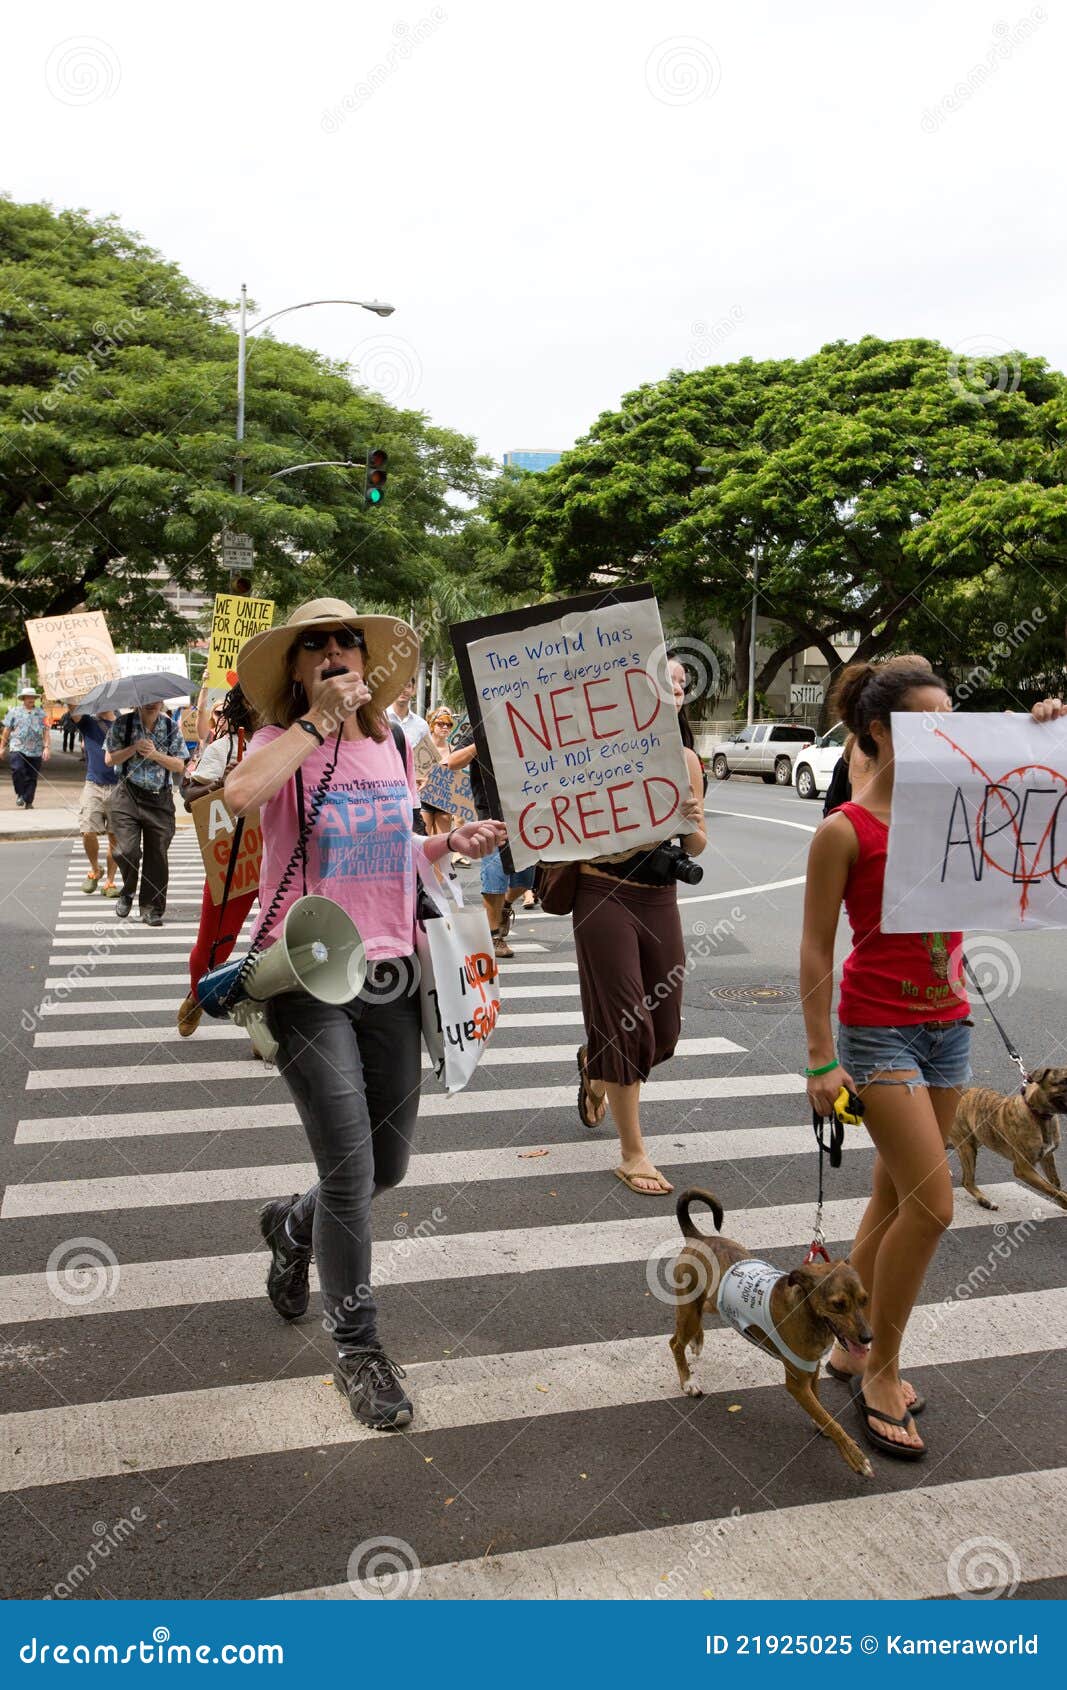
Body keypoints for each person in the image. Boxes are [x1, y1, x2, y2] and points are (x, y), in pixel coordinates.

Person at [226, 598, 505, 1430]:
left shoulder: (390, 742)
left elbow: (391, 844)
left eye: (348, 642)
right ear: (297, 672)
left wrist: (446, 845)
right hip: (308, 973)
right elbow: (239, 797)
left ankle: (290, 1223)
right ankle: (359, 1348)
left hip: (390, 970)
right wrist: (316, 723)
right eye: (317, 647)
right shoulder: (280, 743)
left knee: (386, 1169)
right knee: (349, 1172)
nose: (337, 653)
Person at [800, 663, 1064, 1463]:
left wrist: (1046, 728)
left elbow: (1035, 792)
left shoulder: (957, 810)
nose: (945, 733)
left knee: (892, 1198)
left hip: (947, 1029)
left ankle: (846, 1340)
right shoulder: (844, 829)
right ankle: (881, 1367)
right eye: (927, 722)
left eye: (953, 718)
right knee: (936, 1204)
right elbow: (814, 947)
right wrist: (819, 1062)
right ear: (879, 733)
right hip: (875, 1033)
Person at [573, 657, 708, 1193]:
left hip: (659, 896)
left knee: (665, 1030)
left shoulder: (688, 759)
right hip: (600, 889)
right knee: (627, 1022)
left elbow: (697, 846)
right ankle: (633, 1153)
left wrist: (692, 817)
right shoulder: (597, 753)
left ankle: (596, 1065)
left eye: (681, 682)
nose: (675, 687)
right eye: (665, 679)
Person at [178, 684, 259, 1036]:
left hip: (282, 859)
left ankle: (264, 1030)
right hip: (238, 857)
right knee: (215, 942)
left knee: (274, 946)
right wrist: (222, 787)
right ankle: (199, 993)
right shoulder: (225, 747)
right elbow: (189, 797)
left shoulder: (295, 741)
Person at [104, 697, 189, 924]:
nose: (152, 703)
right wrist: (133, 748)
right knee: (125, 851)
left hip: (159, 798)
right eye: (147, 699)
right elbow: (109, 759)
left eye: (157, 699)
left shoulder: (171, 726)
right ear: (138, 701)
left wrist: (155, 755)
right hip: (127, 795)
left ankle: (152, 909)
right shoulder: (123, 724)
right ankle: (128, 890)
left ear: (162, 701)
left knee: (157, 855)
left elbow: (180, 765)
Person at [70, 708, 119, 895]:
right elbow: (73, 709)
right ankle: (95, 869)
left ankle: (110, 882)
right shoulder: (88, 722)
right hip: (93, 784)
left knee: (114, 836)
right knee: (87, 831)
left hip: (119, 786)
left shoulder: (125, 722)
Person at [1, 685, 50, 808]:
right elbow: (6, 730)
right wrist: (2, 747)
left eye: (33, 697)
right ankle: (20, 794)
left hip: (36, 749)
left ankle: (28, 801)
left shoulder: (42, 714)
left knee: (32, 776)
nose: (31, 699)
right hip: (17, 747)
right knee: (17, 769)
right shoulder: (14, 712)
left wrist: (47, 747)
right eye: (28, 697)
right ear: (23, 698)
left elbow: (46, 731)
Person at [417, 706, 454, 839]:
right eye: (441, 723)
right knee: (424, 842)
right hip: (424, 799)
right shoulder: (422, 746)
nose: (445, 727)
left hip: (444, 801)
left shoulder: (453, 750)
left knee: (442, 844)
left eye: (449, 725)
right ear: (432, 725)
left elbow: (458, 778)